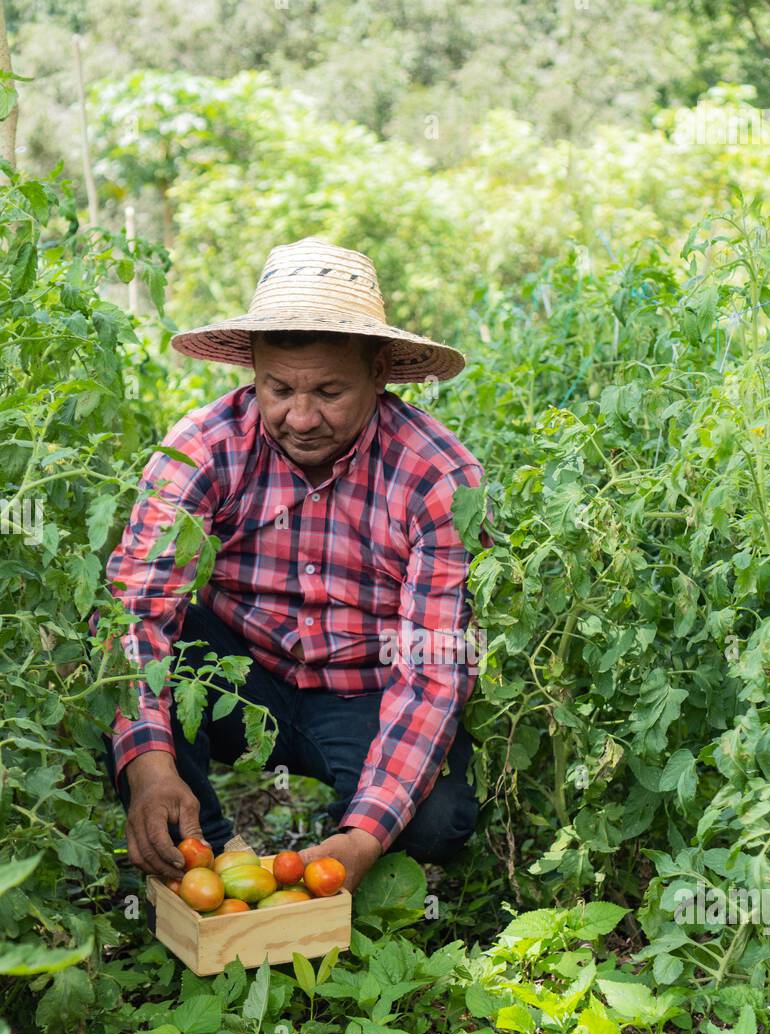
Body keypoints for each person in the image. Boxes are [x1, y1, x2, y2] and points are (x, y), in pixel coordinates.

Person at [93, 237, 486, 894]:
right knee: (126, 664)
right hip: (234, 675)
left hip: (366, 689)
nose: (301, 418)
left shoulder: (437, 477)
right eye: (278, 389)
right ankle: (202, 848)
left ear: (379, 374)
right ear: (252, 369)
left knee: (438, 821)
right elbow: (136, 615)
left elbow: (433, 671)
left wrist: (361, 837)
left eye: (330, 391)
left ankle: (338, 844)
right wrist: (151, 768)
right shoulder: (202, 450)